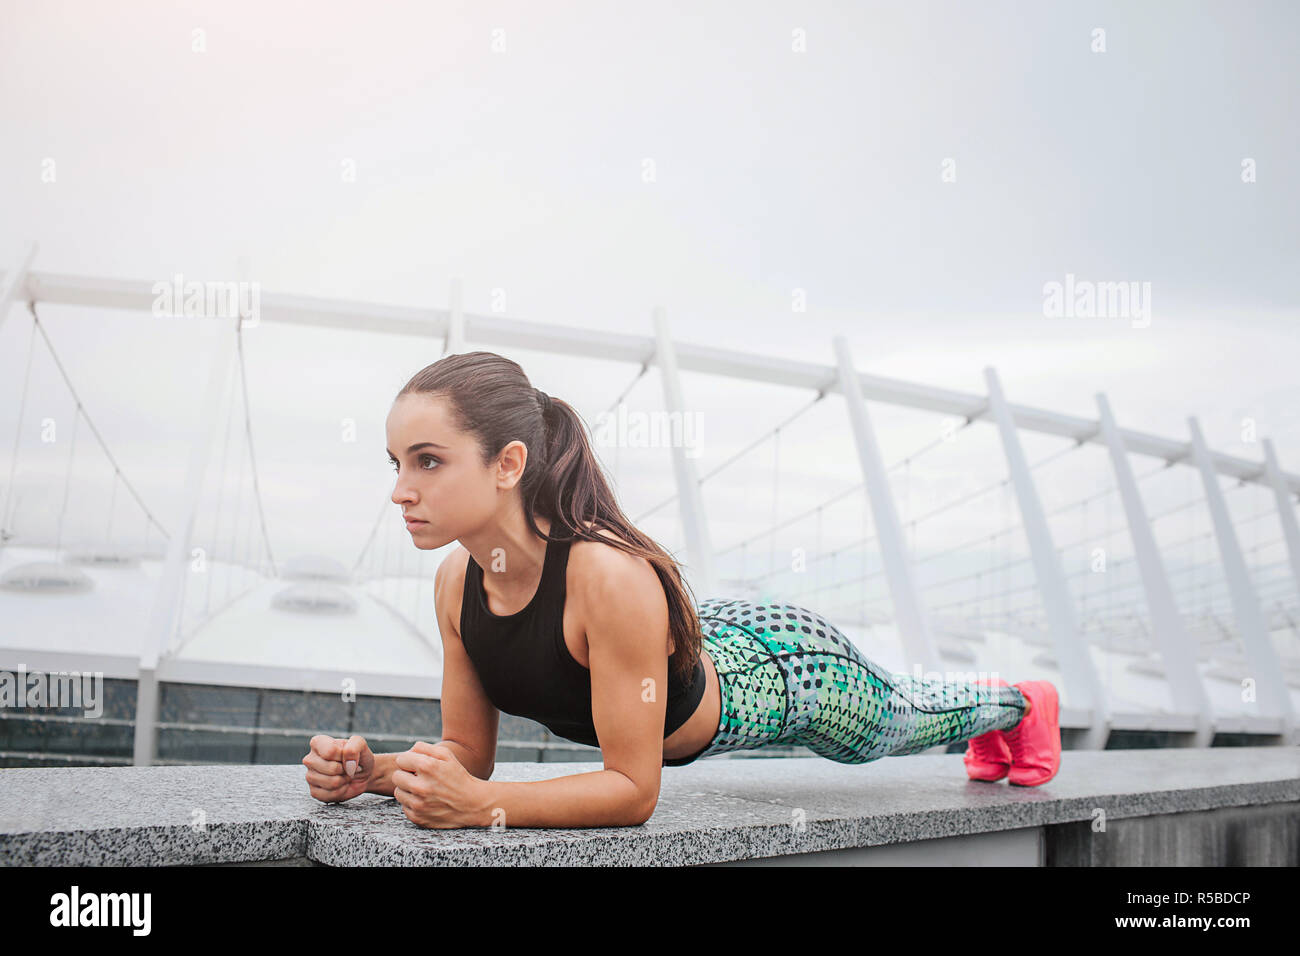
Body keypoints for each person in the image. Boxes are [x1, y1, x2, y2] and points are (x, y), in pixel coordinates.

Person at [302, 351, 1061, 828]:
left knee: (898, 720)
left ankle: (1022, 703)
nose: (401, 490)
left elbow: (633, 790)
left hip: (782, 667)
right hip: (714, 639)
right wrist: (376, 774)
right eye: (395, 462)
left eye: (427, 461)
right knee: (900, 719)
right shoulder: (455, 584)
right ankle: (1008, 717)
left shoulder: (605, 576)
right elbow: (468, 754)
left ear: (507, 464)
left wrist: (481, 811)